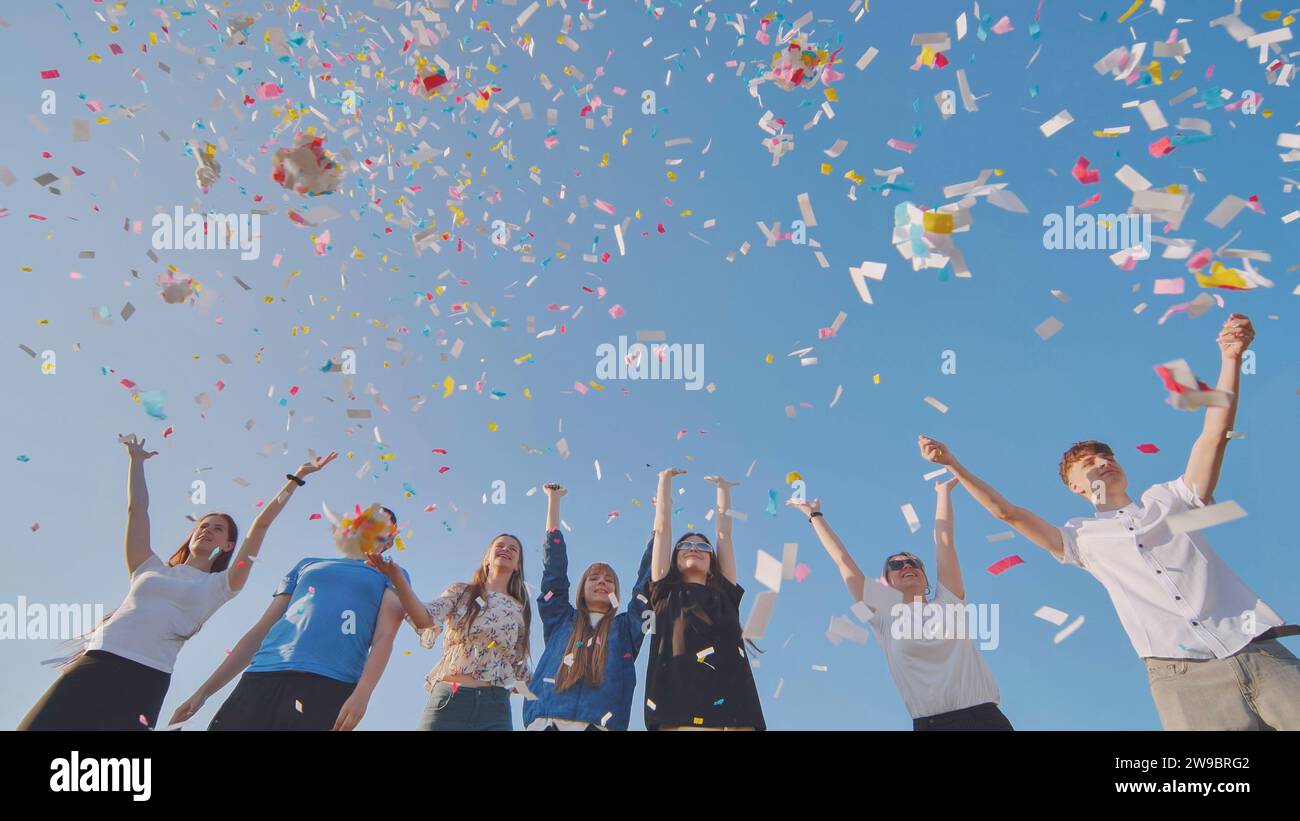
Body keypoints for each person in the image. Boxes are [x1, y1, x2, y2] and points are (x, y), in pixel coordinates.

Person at [919, 314, 1300, 730]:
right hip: (1183, 677)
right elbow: (1007, 513)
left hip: (1257, 649)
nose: (1102, 462)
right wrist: (954, 464)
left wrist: (1231, 357)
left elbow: (1214, 433)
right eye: (1088, 463)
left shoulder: (1172, 497)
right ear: (1074, 487)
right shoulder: (1080, 538)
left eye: (1107, 456)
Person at [19, 435, 334, 731]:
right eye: (203, 525)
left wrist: (296, 478)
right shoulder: (147, 566)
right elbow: (136, 510)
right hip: (97, 662)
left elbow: (259, 527)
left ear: (228, 546)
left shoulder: (223, 584)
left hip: (146, 679)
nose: (207, 530)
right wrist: (136, 462)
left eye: (218, 529)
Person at [791, 479, 1012, 730]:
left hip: (983, 719)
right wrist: (815, 515)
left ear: (925, 576)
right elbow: (843, 562)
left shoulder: (949, 601)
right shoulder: (884, 618)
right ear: (887, 582)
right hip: (931, 725)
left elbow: (945, 542)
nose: (906, 565)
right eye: (896, 565)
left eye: (914, 562)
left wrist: (943, 492)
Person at [173, 505, 405, 731]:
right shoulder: (308, 564)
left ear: (389, 541)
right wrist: (203, 692)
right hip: (262, 674)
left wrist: (363, 694)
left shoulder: (393, 576)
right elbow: (262, 628)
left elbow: (385, 636)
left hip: (329, 683)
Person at [523, 483, 654, 731]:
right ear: (582, 588)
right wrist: (554, 501)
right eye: (594, 578)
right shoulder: (561, 619)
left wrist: (659, 529)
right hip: (546, 722)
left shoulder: (626, 629)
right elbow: (554, 574)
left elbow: (647, 588)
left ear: (616, 592)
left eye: (609, 580)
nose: (602, 582)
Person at [643, 469, 765, 731]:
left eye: (702, 547)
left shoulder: (725, 596)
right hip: (677, 716)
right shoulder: (664, 594)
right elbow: (662, 530)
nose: (694, 549)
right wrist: (664, 481)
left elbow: (724, 537)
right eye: (685, 546)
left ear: (712, 564)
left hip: (733, 718)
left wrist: (723, 490)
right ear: (674, 560)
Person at [372, 532, 532, 731]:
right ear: (487, 558)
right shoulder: (461, 592)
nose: (506, 549)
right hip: (450, 699)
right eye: (500, 545)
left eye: (513, 548)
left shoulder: (519, 609)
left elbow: (519, 663)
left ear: (518, 565)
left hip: (495, 707)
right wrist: (397, 578)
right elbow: (424, 618)